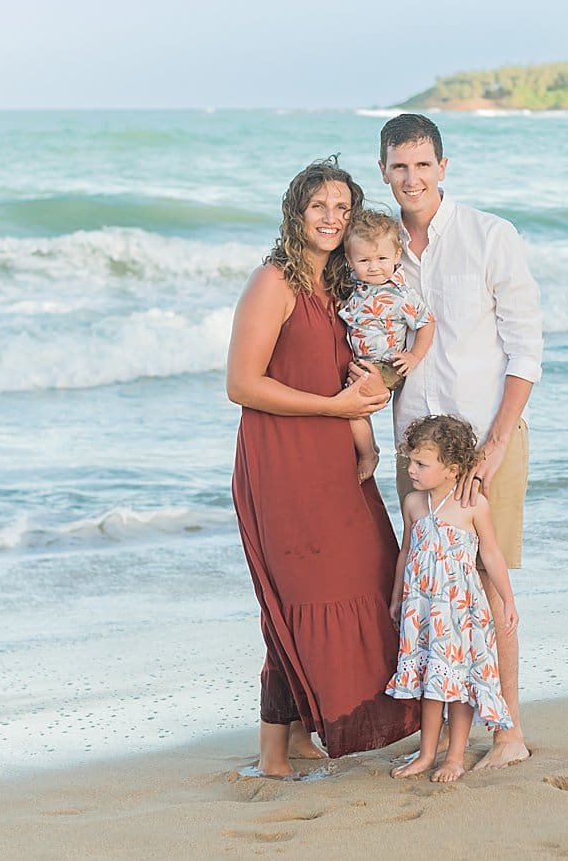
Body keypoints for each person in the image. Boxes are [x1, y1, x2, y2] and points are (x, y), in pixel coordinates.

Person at [357, 113, 542, 771]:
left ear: (443, 167)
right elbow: (374, 342)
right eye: (399, 167)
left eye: (423, 165)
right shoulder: (375, 249)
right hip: (419, 453)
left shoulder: (490, 237)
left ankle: (509, 734)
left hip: (485, 443)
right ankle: (441, 737)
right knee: (432, 592)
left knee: (487, 585)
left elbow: (525, 352)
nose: (412, 177)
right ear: (382, 171)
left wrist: (493, 447)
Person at [226, 156, 419, 777]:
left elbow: (360, 361)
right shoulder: (273, 282)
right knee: (296, 598)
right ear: (296, 213)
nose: (332, 218)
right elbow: (241, 384)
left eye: (342, 207)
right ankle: (273, 755)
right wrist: (333, 407)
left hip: (338, 455)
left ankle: (313, 730)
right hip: (281, 460)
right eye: (319, 207)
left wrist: (370, 398)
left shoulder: (343, 286)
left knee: (371, 571)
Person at [386, 414, 518, 783]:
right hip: (423, 609)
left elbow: (491, 555)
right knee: (432, 683)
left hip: (460, 612)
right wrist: (397, 597)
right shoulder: (414, 503)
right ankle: (428, 754)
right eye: (410, 461)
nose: (411, 469)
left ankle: (455, 758)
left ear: (452, 469)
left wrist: (508, 601)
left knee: (457, 686)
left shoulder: (473, 506)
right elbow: (406, 550)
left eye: (421, 464)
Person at [337, 208, 436, 482]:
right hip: (362, 361)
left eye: (382, 258)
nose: (374, 266)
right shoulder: (356, 284)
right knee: (349, 408)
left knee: (352, 407)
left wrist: (414, 357)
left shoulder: (400, 294)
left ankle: (369, 454)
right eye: (364, 259)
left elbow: (427, 322)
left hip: (387, 364)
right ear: (350, 259)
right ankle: (367, 449)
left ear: (396, 256)